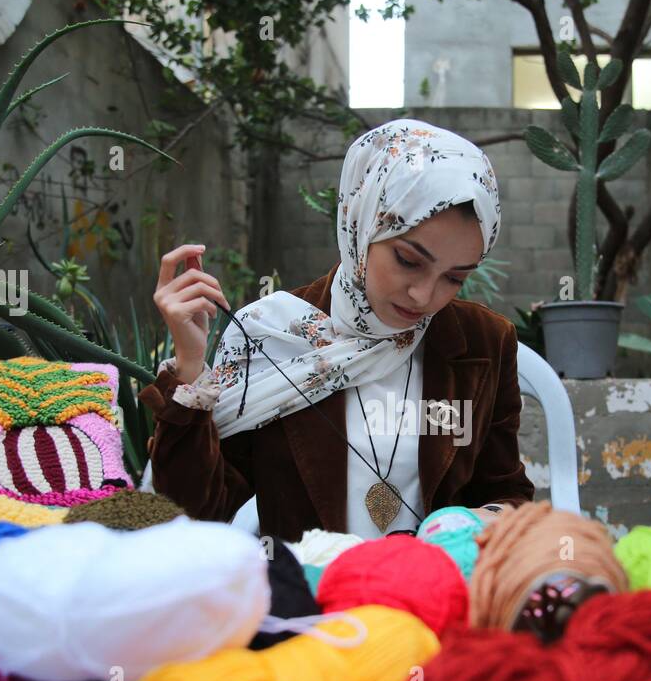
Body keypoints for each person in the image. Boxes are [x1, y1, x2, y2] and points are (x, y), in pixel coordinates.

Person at [139, 119, 534, 542]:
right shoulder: (272, 334)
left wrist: (482, 521)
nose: (424, 296)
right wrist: (190, 367)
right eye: (408, 259)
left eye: (454, 278)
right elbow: (196, 512)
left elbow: (504, 491)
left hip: (431, 597)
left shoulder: (483, 343)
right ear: (362, 224)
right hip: (309, 598)